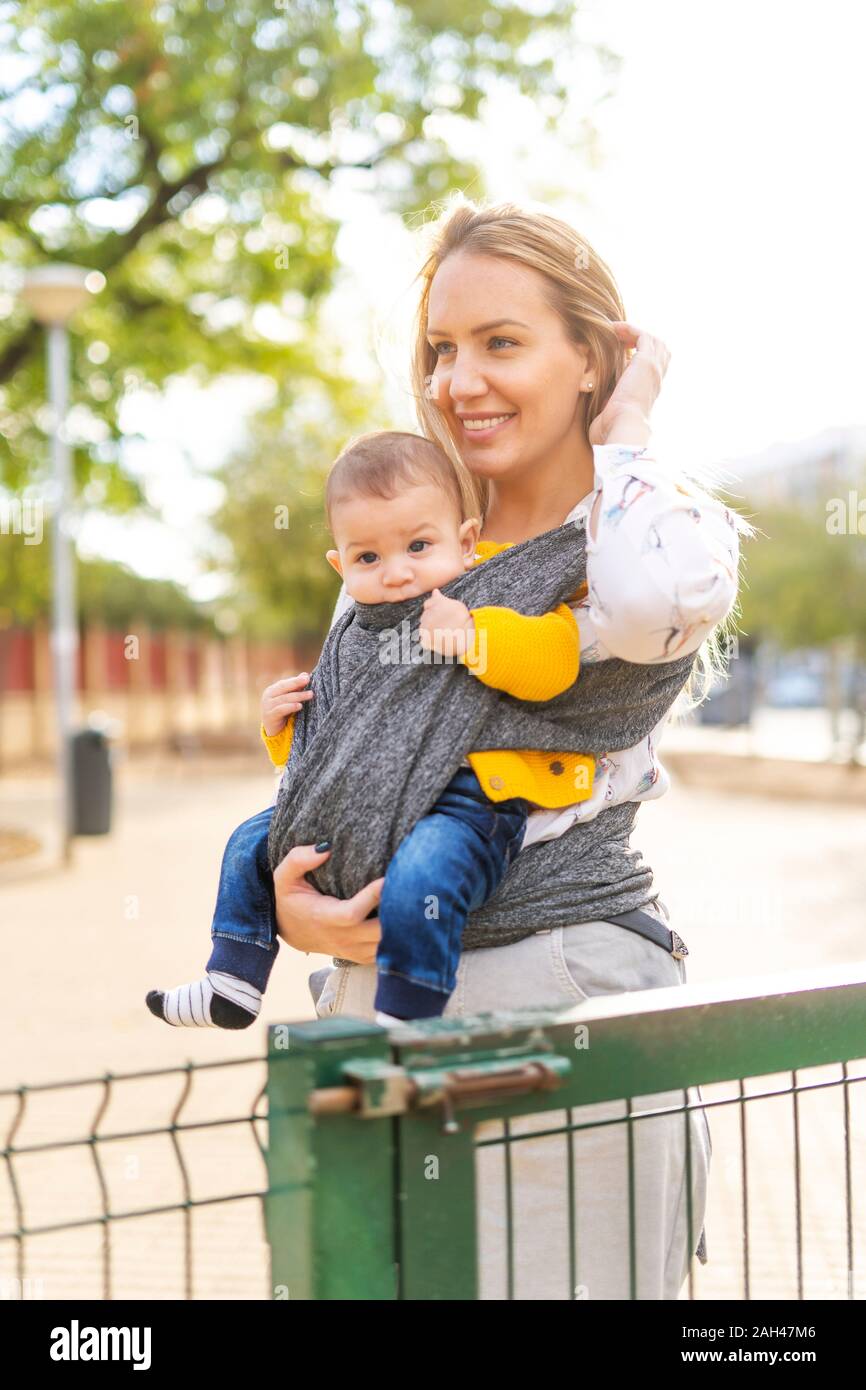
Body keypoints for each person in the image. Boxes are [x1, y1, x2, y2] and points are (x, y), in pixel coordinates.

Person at [272, 198, 748, 1300]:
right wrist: (292, 897)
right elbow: (341, 757)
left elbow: (636, 610)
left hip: (554, 994)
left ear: (589, 356)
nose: (457, 381)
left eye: (500, 343)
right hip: (370, 997)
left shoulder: (655, 534)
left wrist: (625, 435)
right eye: (442, 349)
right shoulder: (412, 539)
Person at [146, 428, 596, 1028]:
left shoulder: (500, 590)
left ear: (464, 542)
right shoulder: (354, 632)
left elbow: (555, 664)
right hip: (353, 800)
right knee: (248, 843)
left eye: (418, 545)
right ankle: (233, 976)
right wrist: (278, 728)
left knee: (422, 876)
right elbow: (331, 738)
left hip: (465, 797)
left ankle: (409, 1014)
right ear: (340, 564)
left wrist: (476, 635)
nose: (395, 573)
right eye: (368, 558)